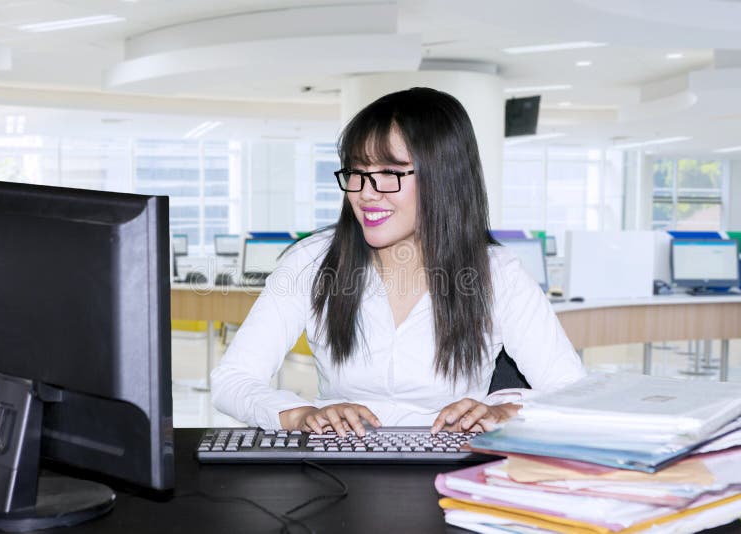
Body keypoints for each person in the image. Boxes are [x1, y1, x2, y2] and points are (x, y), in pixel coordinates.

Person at [211, 87, 585, 437]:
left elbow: (573, 392)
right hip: (338, 468)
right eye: (358, 173)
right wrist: (299, 414)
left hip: (450, 470)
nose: (365, 194)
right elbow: (232, 380)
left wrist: (505, 410)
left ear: (444, 178)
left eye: (389, 174)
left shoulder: (497, 274)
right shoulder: (311, 261)